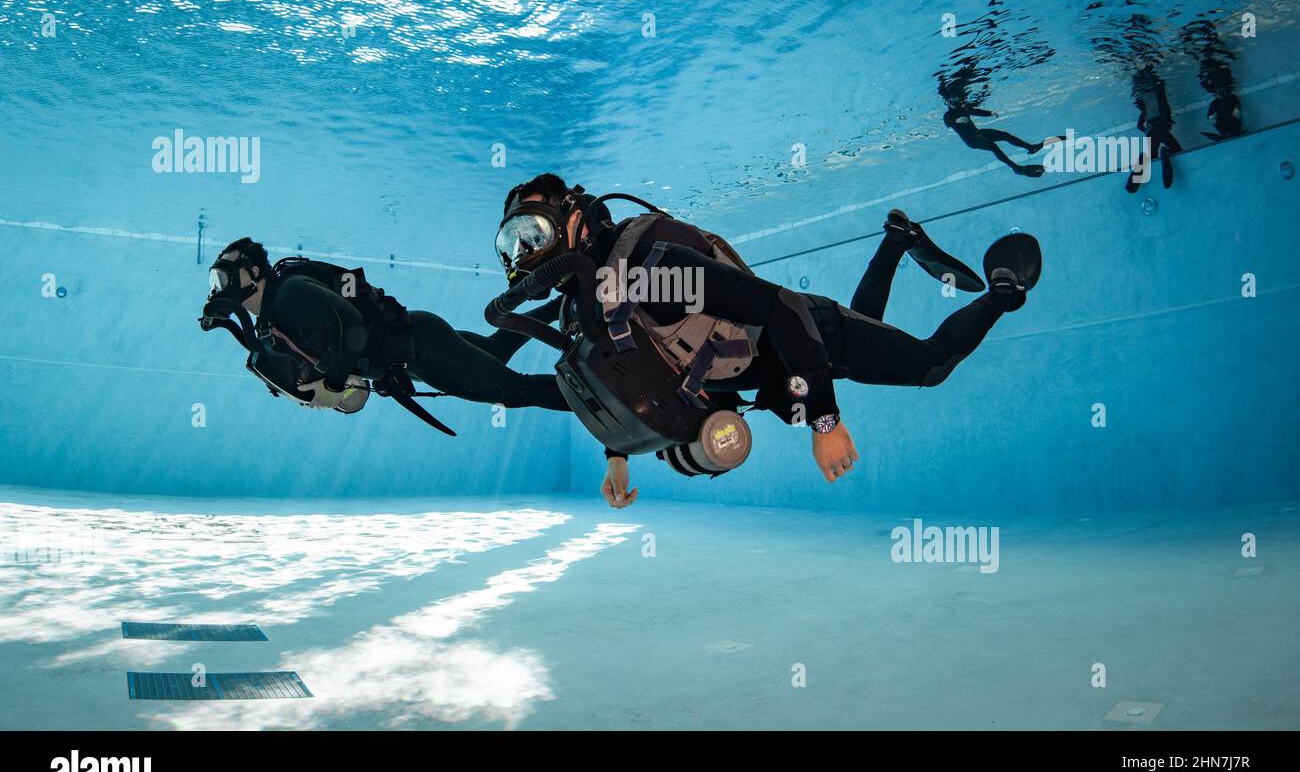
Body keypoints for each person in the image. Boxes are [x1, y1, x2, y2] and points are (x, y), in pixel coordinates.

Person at [494, 176, 1041, 508]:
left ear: (575, 222)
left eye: (534, 233)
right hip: (772, 370)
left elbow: (783, 307)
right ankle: (895, 242)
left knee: (928, 365)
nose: (524, 255)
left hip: (803, 332)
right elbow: (621, 369)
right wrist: (617, 456)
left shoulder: (648, 270)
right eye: (512, 243)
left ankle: (1003, 292)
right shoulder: (580, 307)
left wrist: (825, 422)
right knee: (856, 344)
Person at [202, 238, 570, 428]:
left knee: (515, 391)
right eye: (215, 279)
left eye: (224, 275)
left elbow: (349, 322)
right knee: (495, 349)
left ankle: (604, 395)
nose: (220, 284)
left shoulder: (289, 291)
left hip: (421, 348)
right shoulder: (272, 318)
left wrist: (331, 383)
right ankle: (563, 304)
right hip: (417, 342)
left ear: (252, 271)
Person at [1126, 67, 1181, 193]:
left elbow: (1139, 125)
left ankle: (1142, 160)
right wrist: (1167, 124)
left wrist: (1146, 130)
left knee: (1152, 157)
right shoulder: (1157, 103)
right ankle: (1165, 152)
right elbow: (1165, 111)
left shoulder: (1145, 112)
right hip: (1160, 128)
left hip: (1151, 131)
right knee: (1176, 149)